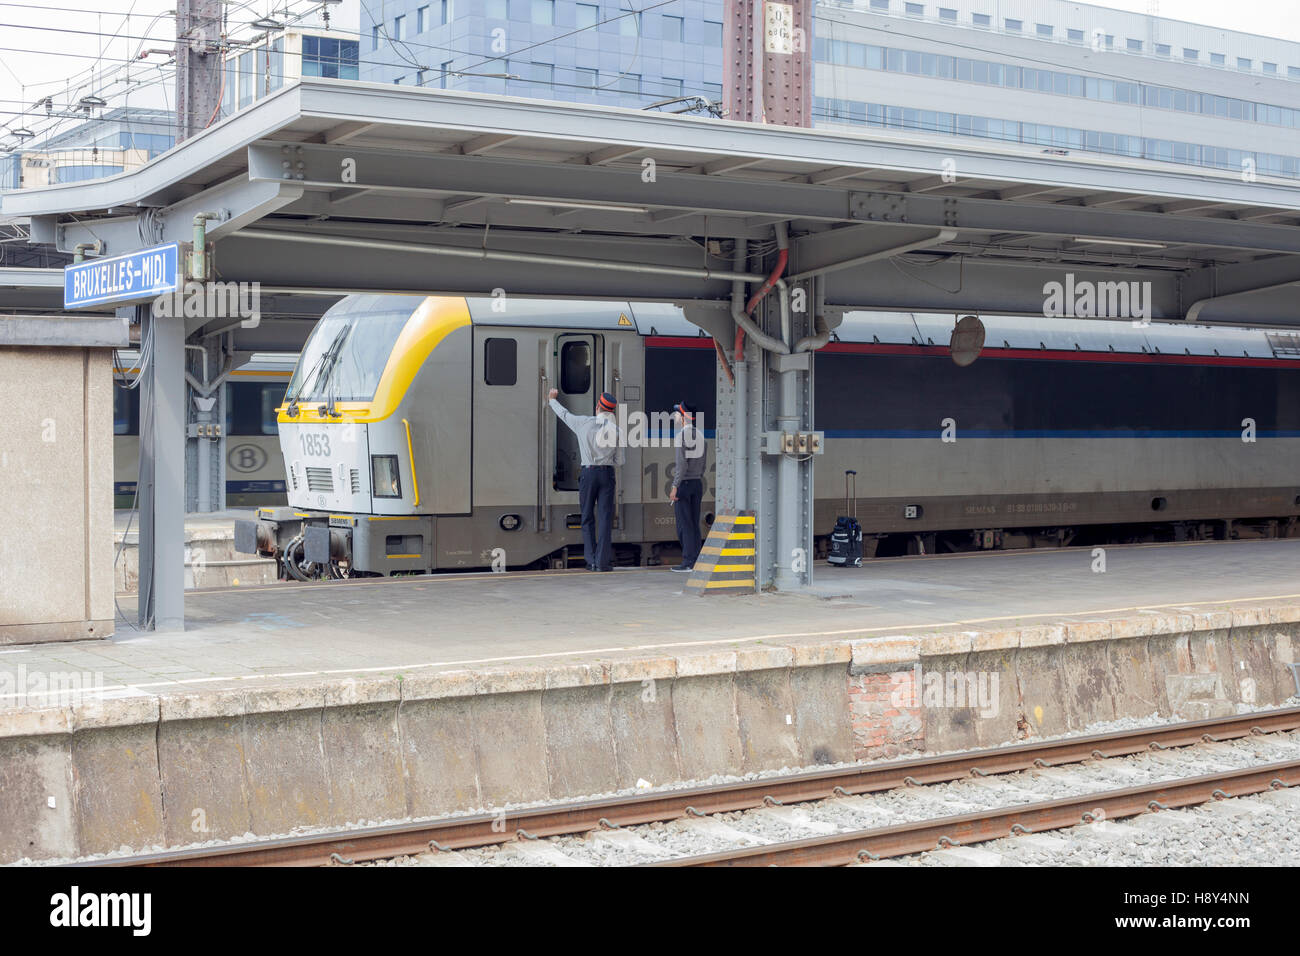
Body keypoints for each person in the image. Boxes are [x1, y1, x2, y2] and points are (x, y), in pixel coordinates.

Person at [548, 388, 624, 572]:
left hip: (588, 474)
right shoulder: (617, 430)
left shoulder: (583, 423)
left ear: (598, 407)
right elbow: (620, 461)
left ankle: (591, 561)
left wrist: (551, 400)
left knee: (587, 517)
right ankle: (603, 563)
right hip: (607, 474)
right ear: (611, 412)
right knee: (605, 519)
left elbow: (564, 414)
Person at [669, 401, 707, 572]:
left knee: (684, 524)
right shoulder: (700, 435)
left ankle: (687, 562)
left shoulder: (681, 436)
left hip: (684, 484)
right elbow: (704, 464)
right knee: (693, 523)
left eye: (677, 413)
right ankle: (696, 560)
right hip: (697, 483)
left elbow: (681, 465)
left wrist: (675, 486)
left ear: (683, 418)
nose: (675, 416)